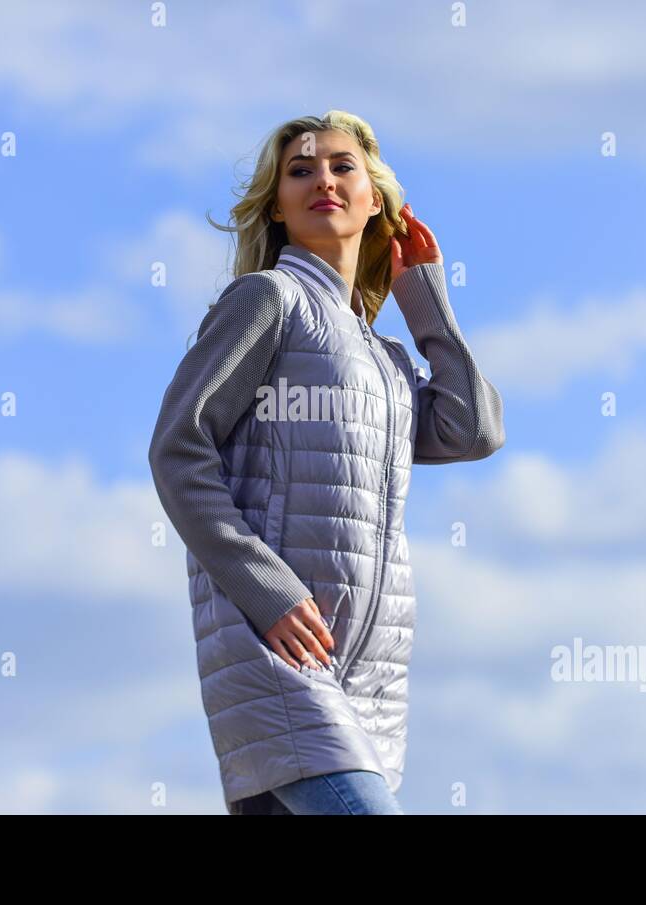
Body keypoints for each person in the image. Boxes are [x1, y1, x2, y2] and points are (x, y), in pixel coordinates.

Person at [148, 110, 506, 815]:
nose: (324, 181)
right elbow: (178, 446)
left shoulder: (386, 360)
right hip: (280, 660)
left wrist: (425, 300)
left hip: (368, 681)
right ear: (276, 206)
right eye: (300, 170)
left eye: (344, 166)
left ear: (377, 198)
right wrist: (268, 590)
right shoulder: (267, 300)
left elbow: (472, 430)